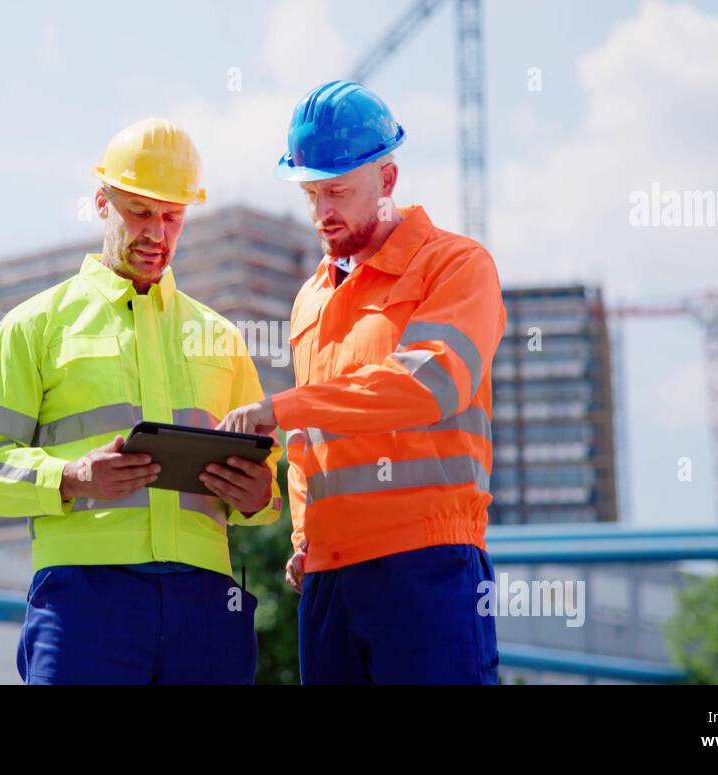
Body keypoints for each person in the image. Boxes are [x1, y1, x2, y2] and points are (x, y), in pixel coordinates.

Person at [0, 118, 282, 684]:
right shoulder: (33, 327)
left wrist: (259, 497)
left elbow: (270, 478)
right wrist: (71, 476)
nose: (157, 232)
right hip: (85, 599)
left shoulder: (220, 337)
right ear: (101, 203)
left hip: (206, 603)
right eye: (139, 212)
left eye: (172, 217)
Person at [218, 81, 506, 684]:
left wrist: (282, 407)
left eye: (339, 191)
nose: (324, 211)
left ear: (388, 180)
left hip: (427, 567)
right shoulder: (310, 300)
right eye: (313, 192)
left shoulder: (454, 265)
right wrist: (303, 537)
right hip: (328, 576)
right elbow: (307, 448)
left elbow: (430, 383)